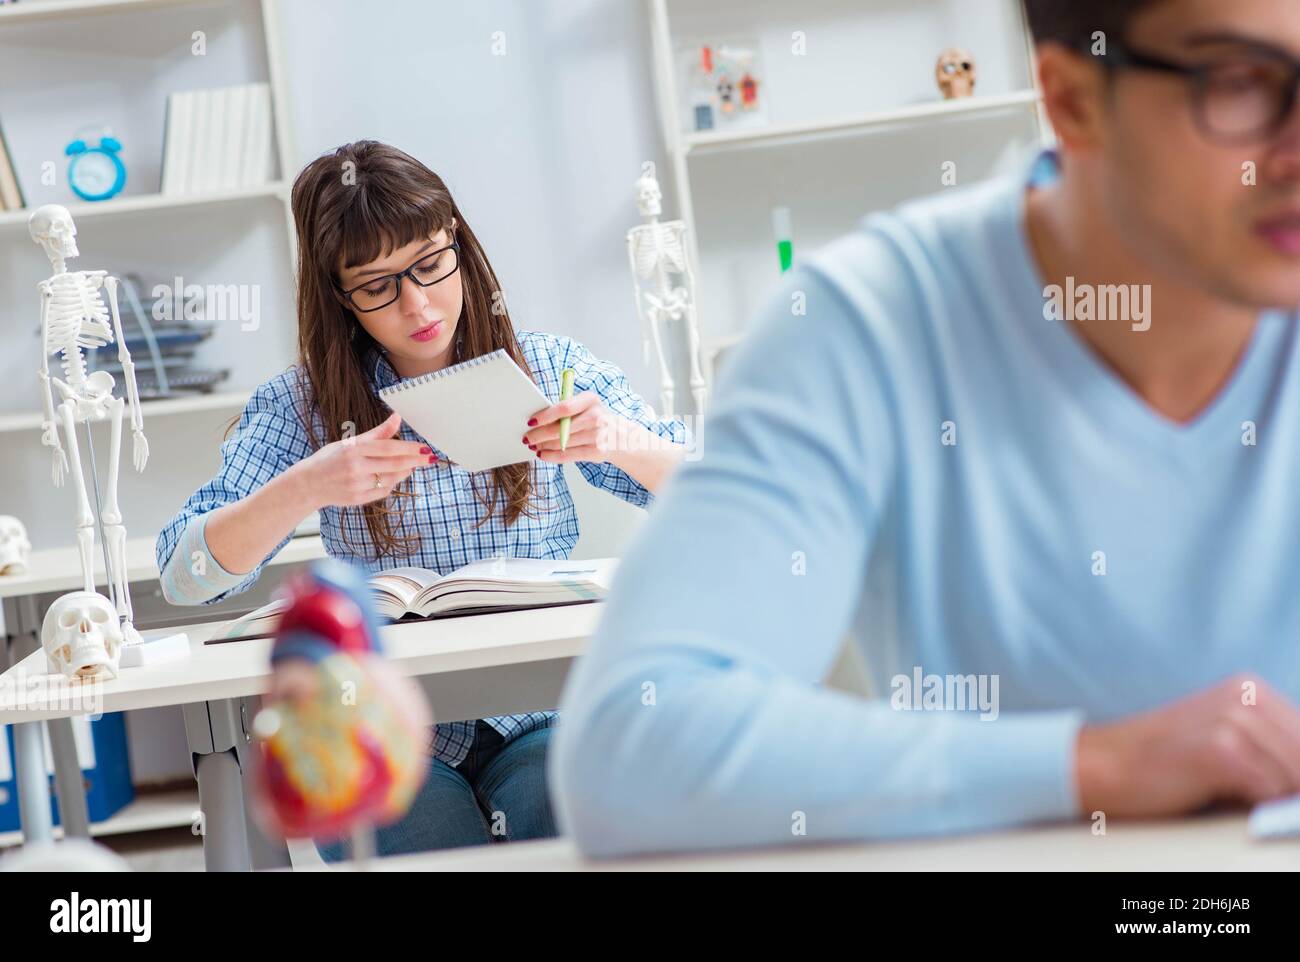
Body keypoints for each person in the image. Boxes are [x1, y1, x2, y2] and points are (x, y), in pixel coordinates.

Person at [552, 0, 1300, 855]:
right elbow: (631, 748)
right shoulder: (867, 326)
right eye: (1241, 83)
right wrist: (1091, 765)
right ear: (1073, 99)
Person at [155, 140, 688, 856]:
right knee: (423, 839)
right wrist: (308, 484)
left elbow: (716, 495)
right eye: (377, 286)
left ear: (459, 246)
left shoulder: (550, 364)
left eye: (430, 263)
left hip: (544, 713)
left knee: (561, 805)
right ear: (339, 297)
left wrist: (617, 438)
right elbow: (185, 578)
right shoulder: (300, 405)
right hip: (386, 729)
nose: (417, 302)